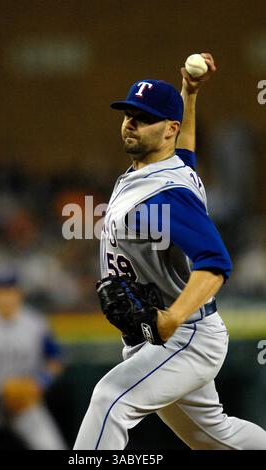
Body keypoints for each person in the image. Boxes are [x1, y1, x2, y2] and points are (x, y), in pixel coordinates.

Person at [73, 54, 266, 450]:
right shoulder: (167, 166)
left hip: (185, 337)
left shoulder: (167, 194)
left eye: (144, 118)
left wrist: (172, 319)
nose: (131, 122)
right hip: (159, 336)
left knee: (110, 400)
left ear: (168, 130)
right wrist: (189, 94)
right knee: (216, 437)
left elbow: (216, 264)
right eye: (129, 113)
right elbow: (187, 148)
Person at [0, 267, 67, 450]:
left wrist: (40, 383)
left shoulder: (37, 324)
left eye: (9, 290)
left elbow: (55, 360)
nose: (5, 296)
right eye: (0, 290)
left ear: (19, 293)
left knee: (52, 446)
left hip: (24, 401)